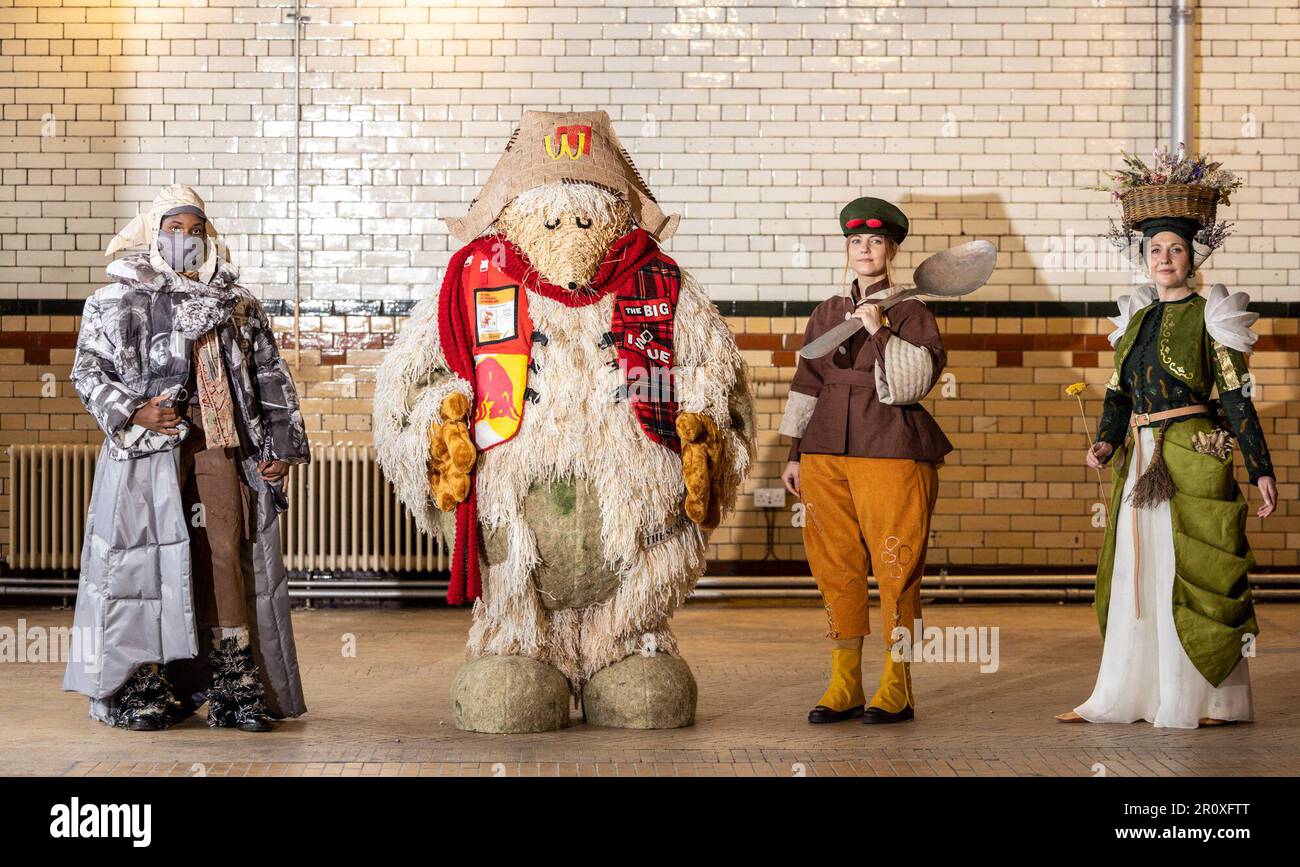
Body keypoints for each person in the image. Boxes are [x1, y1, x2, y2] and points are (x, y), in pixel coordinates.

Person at [64, 185, 310, 732]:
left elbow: (271, 378)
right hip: (145, 454)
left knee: (224, 553)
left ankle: (234, 681)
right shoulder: (115, 300)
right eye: (175, 228)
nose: (187, 240)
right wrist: (133, 410)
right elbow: (87, 371)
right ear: (154, 233)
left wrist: (277, 449)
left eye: (197, 230)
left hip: (220, 445)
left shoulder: (237, 303)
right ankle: (141, 679)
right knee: (142, 561)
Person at [1059, 158, 1278, 729]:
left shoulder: (1213, 316)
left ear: (1192, 258)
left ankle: (1205, 700)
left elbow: (1235, 396)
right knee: (1139, 570)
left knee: (1192, 567)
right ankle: (1130, 694)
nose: (1165, 259)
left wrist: (1260, 470)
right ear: (1144, 258)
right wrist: (1106, 445)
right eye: (1155, 250)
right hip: (1138, 461)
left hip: (1192, 454)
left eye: (1175, 250)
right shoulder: (1134, 320)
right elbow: (1115, 396)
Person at [779, 197, 951, 725]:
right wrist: (794, 453)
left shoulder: (912, 311)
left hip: (891, 448)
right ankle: (844, 683)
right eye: (856, 241)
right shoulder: (826, 313)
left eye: (876, 241)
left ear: (892, 250)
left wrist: (878, 328)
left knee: (896, 566)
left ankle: (896, 684)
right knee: (836, 567)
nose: (865, 250)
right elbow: (807, 382)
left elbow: (914, 382)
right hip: (826, 450)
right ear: (847, 248)